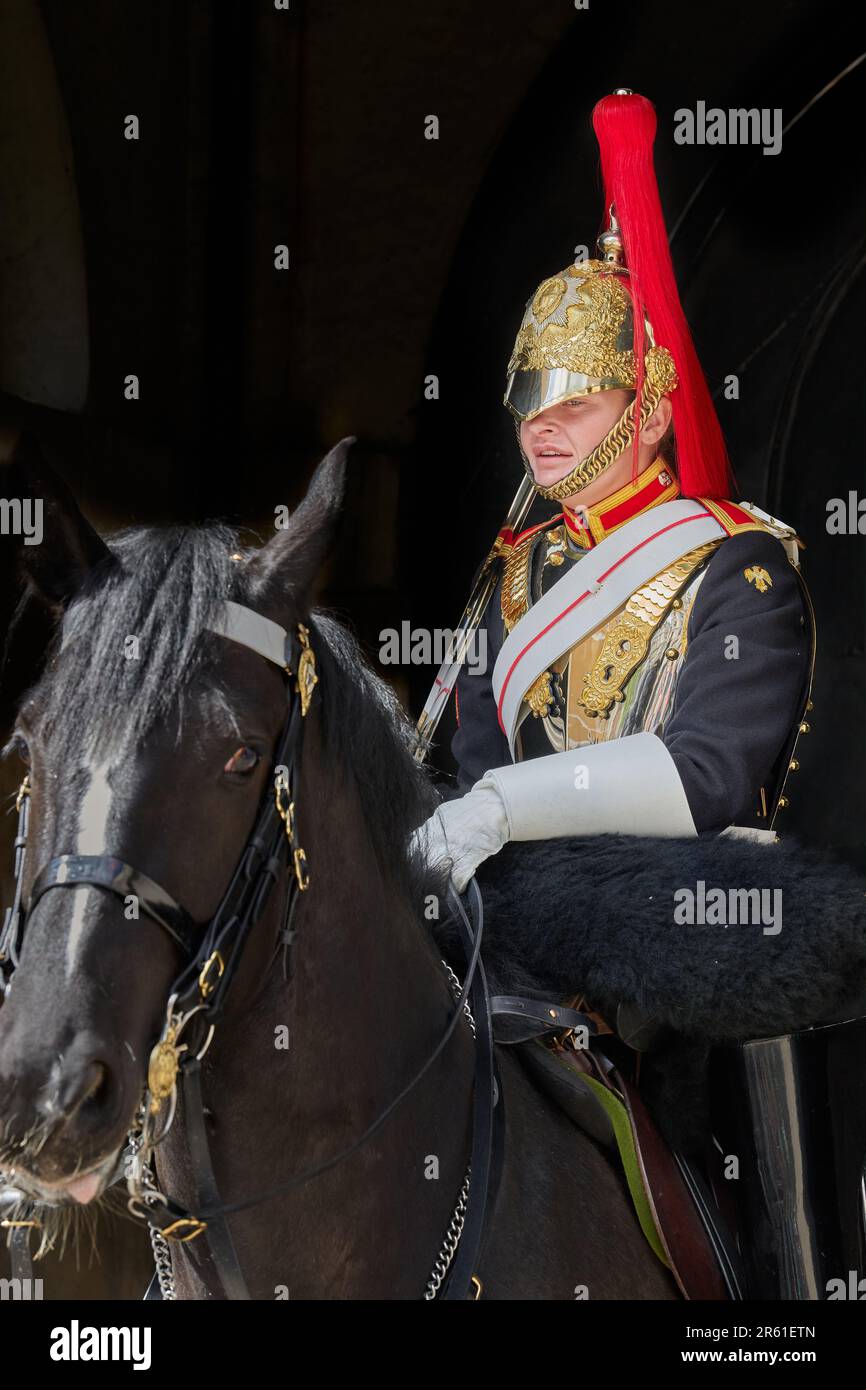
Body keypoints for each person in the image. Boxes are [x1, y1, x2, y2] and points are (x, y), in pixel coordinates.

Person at [415, 90, 813, 892]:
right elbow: (475, 770)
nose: (542, 427)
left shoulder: (738, 567)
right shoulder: (516, 574)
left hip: (680, 930)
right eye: (532, 403)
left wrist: (500, 807)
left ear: (652, 413)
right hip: (529, 924)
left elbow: (707, 777)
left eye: (576, 404)